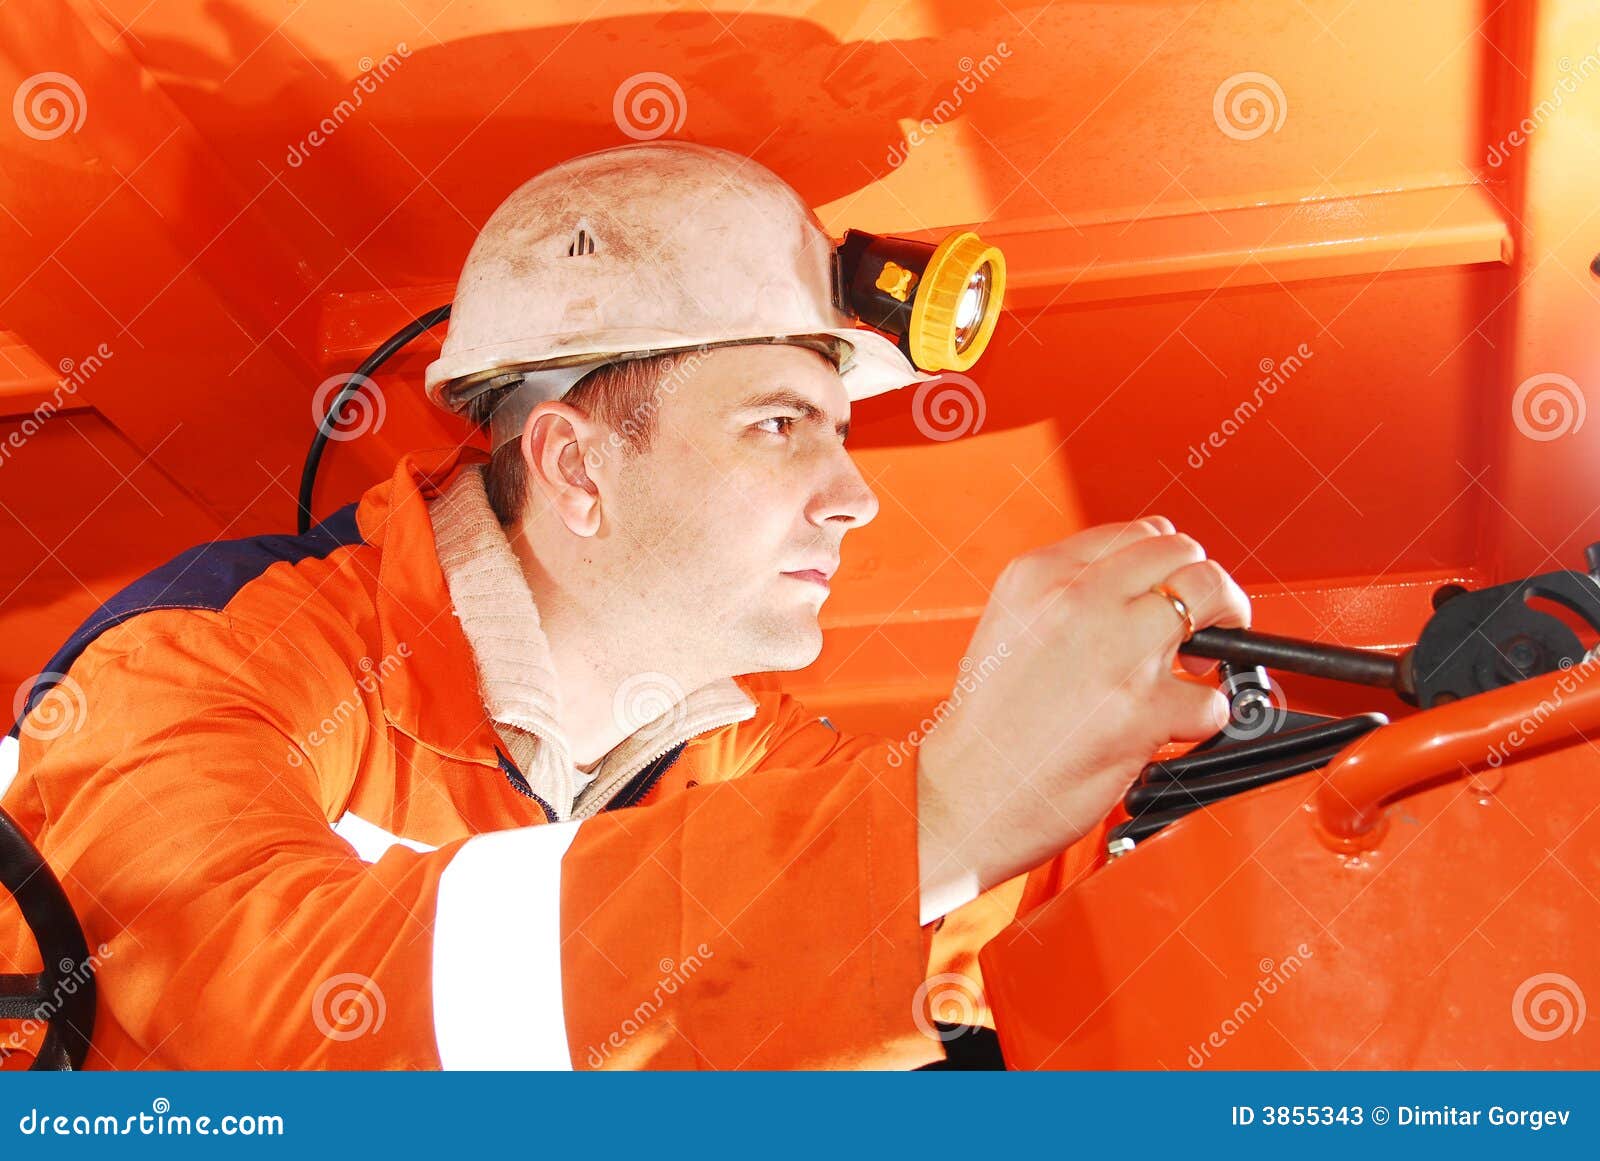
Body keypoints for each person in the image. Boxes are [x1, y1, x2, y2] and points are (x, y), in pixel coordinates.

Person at [0, 141, 1248, 1069]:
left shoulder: (729, 755)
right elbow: (223, 1010)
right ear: (575, 467)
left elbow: (985, 915)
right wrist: (938, 815)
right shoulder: (215, 660)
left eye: (842, 432)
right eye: (779, 425)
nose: (855, 496)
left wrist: (1250, 794)